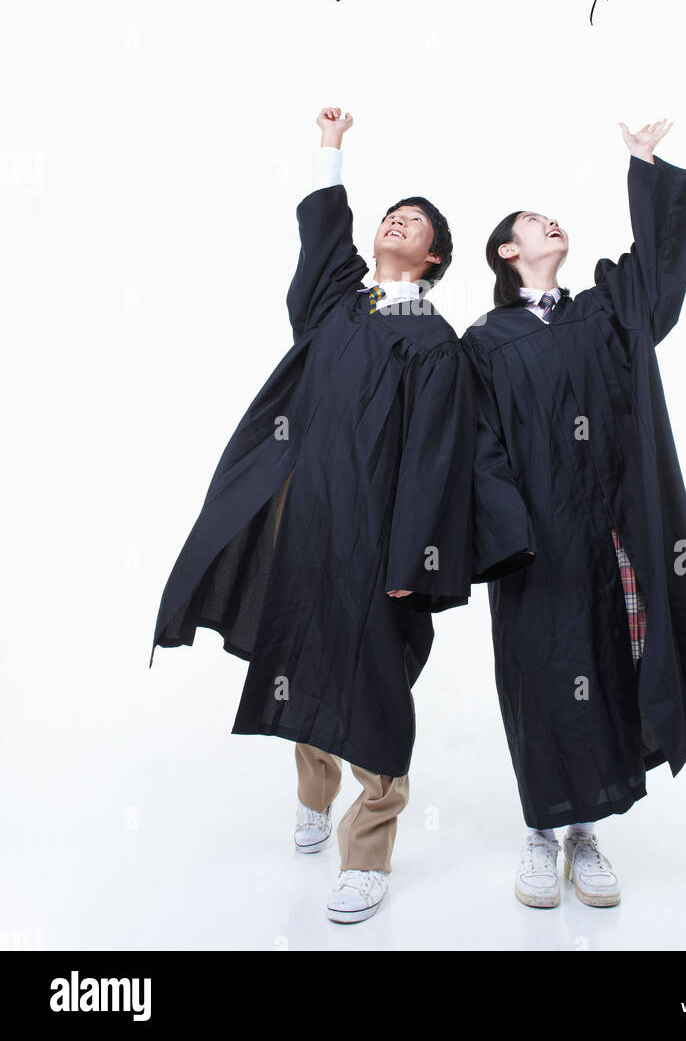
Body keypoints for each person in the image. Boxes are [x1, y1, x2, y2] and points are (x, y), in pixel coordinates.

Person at [151, 108, 524, 923]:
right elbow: (320, 244)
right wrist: (331, 149)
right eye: (392, 212)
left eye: (415, 222)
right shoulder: (334, 309)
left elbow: (435, 459)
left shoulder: (435, 344)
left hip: (379, 541)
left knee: (375, 688)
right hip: (306, 519)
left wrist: (412, 564)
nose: (398, 220)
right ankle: (314, 799)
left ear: (432, 257)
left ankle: (370, 853)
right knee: (299, 655)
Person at [462, 119, 686, 910]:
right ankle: (541, 831)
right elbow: (478, 447)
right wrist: (509, 535)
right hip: (533, 540)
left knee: (612, 667)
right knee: (542, 675)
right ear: (507, 252)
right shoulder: (485, 342)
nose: (548, 220)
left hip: (610, 527)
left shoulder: (602, 310)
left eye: (552, 215)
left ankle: (587, 832)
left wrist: (644, 165)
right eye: (530, 220)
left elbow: (658, 281)